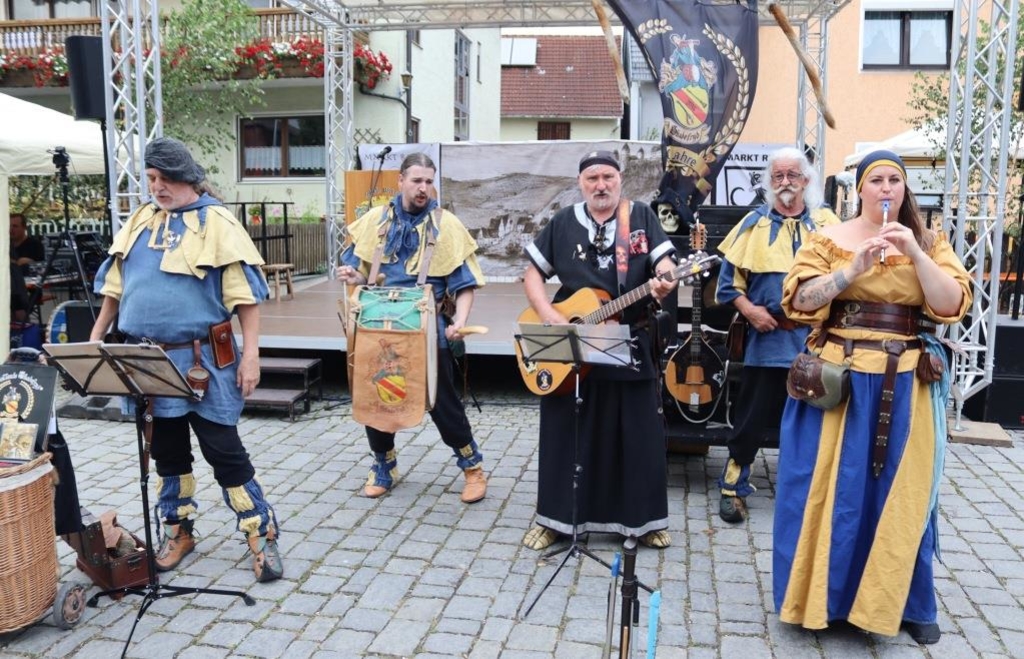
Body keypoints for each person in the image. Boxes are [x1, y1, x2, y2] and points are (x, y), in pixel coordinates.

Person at [773, 150, 971, 644]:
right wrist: (853, 268)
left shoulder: (931, 241)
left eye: (895, 181)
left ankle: (907, 602)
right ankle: (824, 601)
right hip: (838, 380)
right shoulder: (828, 240)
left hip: (904, 381)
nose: (886, 189)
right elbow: (799, 302)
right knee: (830, 491)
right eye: (876, 180)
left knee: (901, 495)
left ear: (905, 190)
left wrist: (917, 252)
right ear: (858, 189)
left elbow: (950, 304)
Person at [89, 137, 283, 583]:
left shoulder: (217, 222)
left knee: (223, 449)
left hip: (202, 364)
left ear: (185, 179)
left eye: (164, 179)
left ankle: (260, 532)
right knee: (167, 451)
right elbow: (115, 286)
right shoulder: (140, 220)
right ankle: (178, 532)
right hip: (146, 361)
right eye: (151, 178)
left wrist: (251, 357)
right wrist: (98, 336)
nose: (156, 187)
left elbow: (246, 300)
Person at [521, 149, 677, 551]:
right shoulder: (561, 223)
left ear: (620, 179)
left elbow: (665, 266)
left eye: (607, 176)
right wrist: (548, 314)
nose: (601, 185)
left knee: (638, 433)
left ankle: (644, 522)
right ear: (581, 183)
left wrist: (664, 280)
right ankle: (554, 520)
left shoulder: (640, 217)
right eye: (592, 178)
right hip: (569, 343)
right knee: (563, 432)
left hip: (629, 339)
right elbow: (533, 274)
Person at [336, 152, 489, 504]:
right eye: (417, 181)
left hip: (425, 324)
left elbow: (464, 284)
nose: (424, 188)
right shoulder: (376, 219)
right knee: (374, 395)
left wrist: (460, 322)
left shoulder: (445, 224)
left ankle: (472, 467)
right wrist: (355, 276)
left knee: (441, 400)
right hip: (377, 323)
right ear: (401, 181)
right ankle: (383, 465)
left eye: (429, 181)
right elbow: (362, 275)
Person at [714, 146, 840, 523]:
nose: (785, 183)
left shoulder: (828, 224)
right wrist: (750, 311)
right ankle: (732, 485)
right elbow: (727, 286)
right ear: (770, 183)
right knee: (751, 416)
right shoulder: (752, 225)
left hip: (816, 341)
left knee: (814, 417)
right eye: (778, 176)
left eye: (792, 175)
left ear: (806, 180)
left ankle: (810, 494)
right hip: (767, 339)